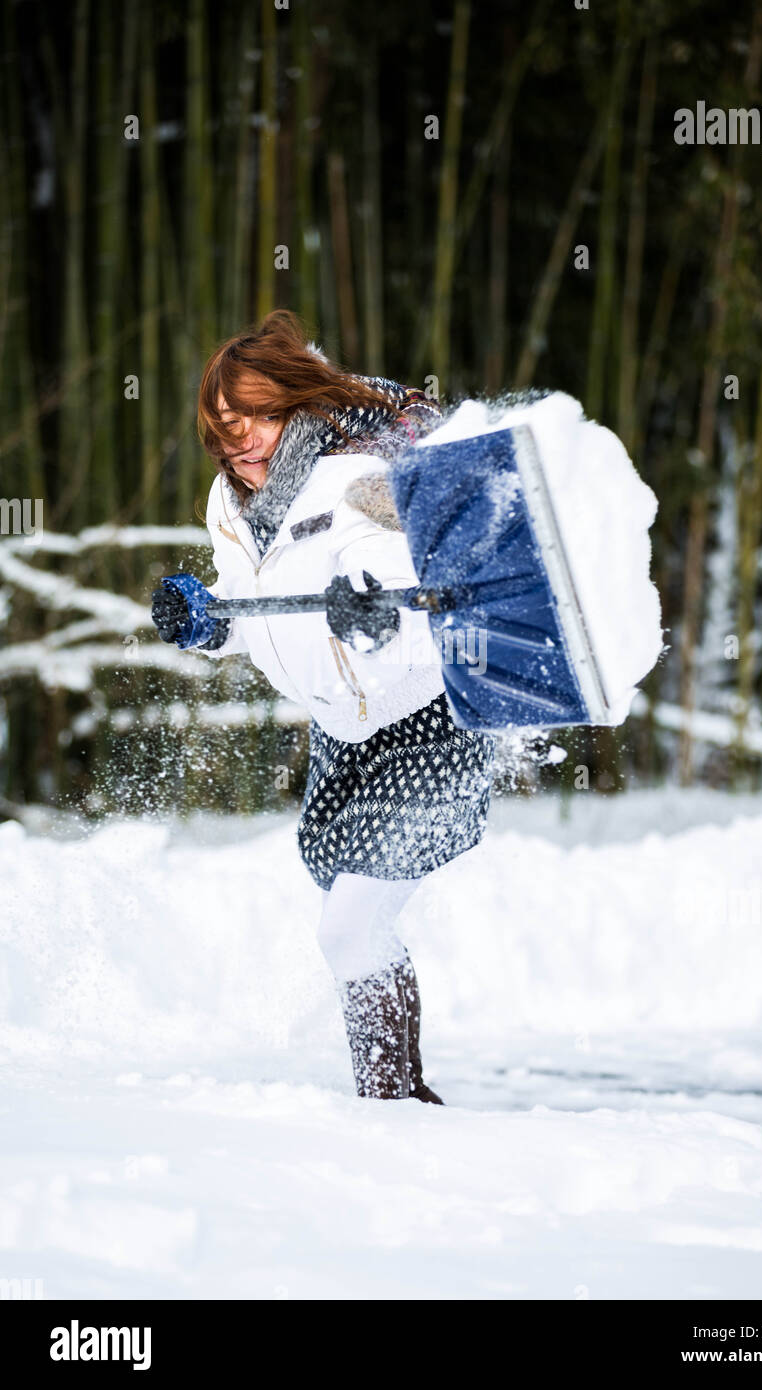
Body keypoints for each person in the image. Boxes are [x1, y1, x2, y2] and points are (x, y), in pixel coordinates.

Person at [152, 309, 495, 1102]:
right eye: (224, 426)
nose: (241, 441)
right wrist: (209, 622)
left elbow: (415, 595)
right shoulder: (228, 502)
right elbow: (256, 606)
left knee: (348, 929)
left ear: (297, 406)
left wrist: (380, 612)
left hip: (427, 726)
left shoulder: (360, 476)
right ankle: (405, 1101)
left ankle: (392, 1105)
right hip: (345, 729)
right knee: (350, 911)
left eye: (259, 419)